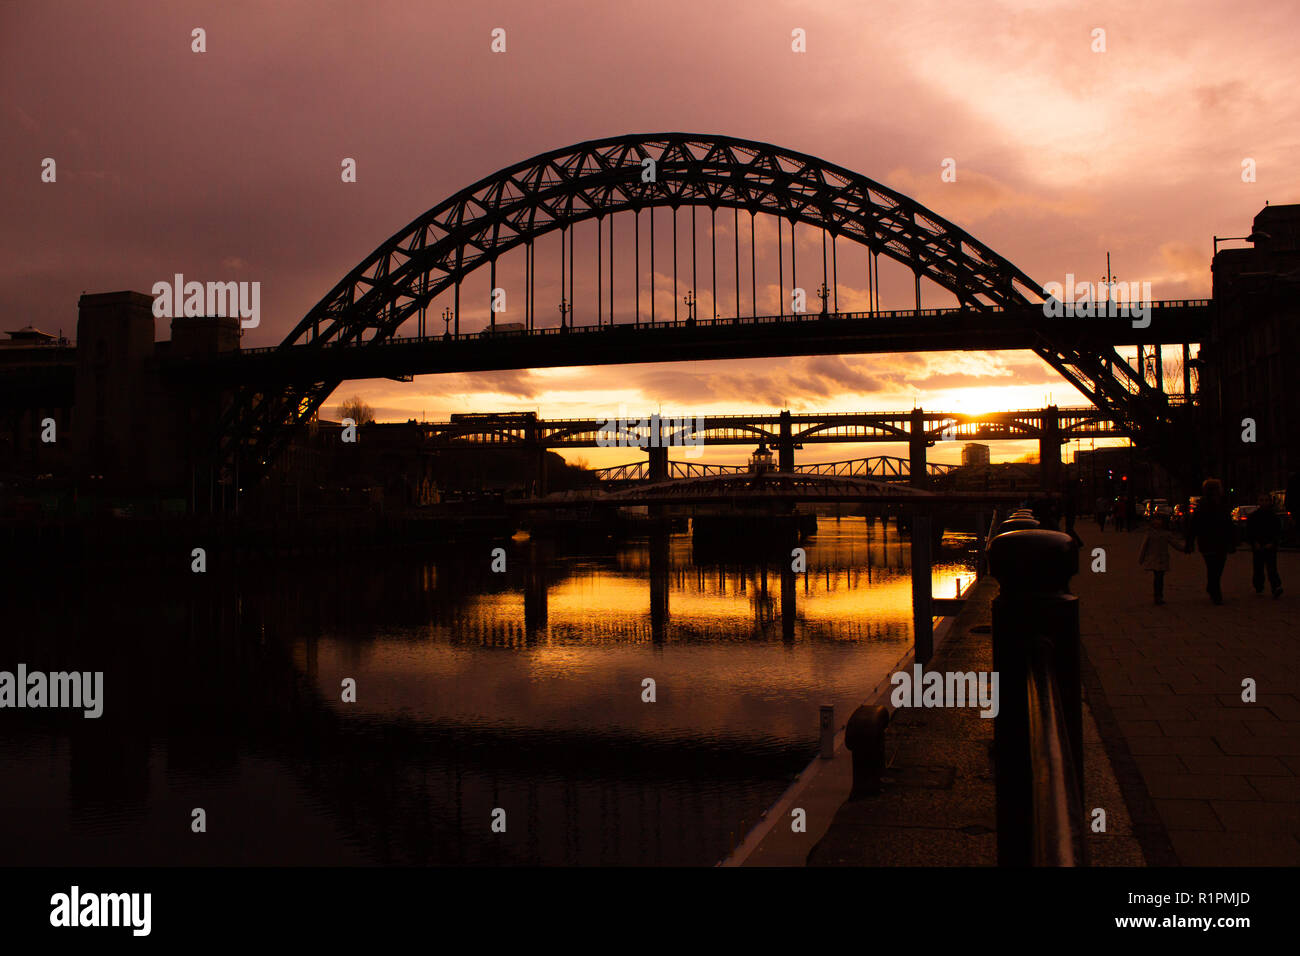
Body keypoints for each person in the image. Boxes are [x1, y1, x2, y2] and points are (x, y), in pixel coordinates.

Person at [1186, 478, 1233, 604]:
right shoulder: (1206, 506)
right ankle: (1215, 591)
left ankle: (1212, 586)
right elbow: (1194, 525)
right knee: (1214, 567)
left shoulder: (1219, 505)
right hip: (1210, 540)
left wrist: (1190, 541)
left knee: (1216, 567)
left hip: (1214, 540)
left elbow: (1193, 526)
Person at [1245, 492, 1284, 598]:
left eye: (1266, 500)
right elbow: (1249, 532)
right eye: (1261, 500)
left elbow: (1278, 532)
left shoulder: (1274, 517)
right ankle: (1259, 585)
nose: (1264, 503)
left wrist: (1273, 543)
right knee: (1258, 567)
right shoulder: (1253, 517)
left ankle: (1275, 586)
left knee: (1272, 568)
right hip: (1258, 545)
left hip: (1270, 545)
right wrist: (1254, 543)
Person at [1138, 513, 1174, 604]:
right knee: (1158, 577)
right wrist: (1141, 558)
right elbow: (1143, 547)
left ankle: (1158, 596)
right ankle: (1158, 596)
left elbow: (1175, 544)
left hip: (1162, 558)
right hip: (1154, 558)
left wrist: (1185, 549)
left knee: (1159, 577)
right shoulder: (1150, 534)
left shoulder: (1166, 534)